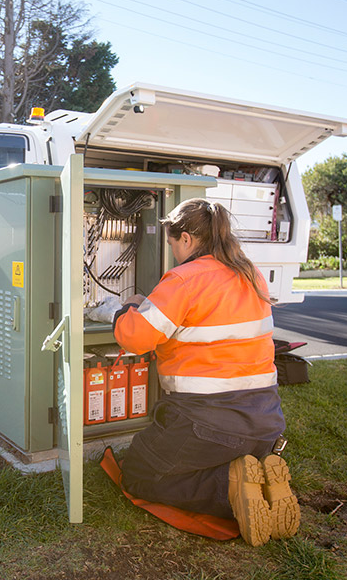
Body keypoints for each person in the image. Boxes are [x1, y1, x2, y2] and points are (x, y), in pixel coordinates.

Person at [112, 197, 299, 546]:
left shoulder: (185, 279)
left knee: (138, 474)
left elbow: (135, 338)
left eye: (172, 244)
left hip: (206, 422)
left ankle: (229, 488)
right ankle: (257, 479)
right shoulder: (250, 273)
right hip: (264, 420)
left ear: (186, 239)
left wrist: (127, 308)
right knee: (193, 457)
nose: (173, 253)